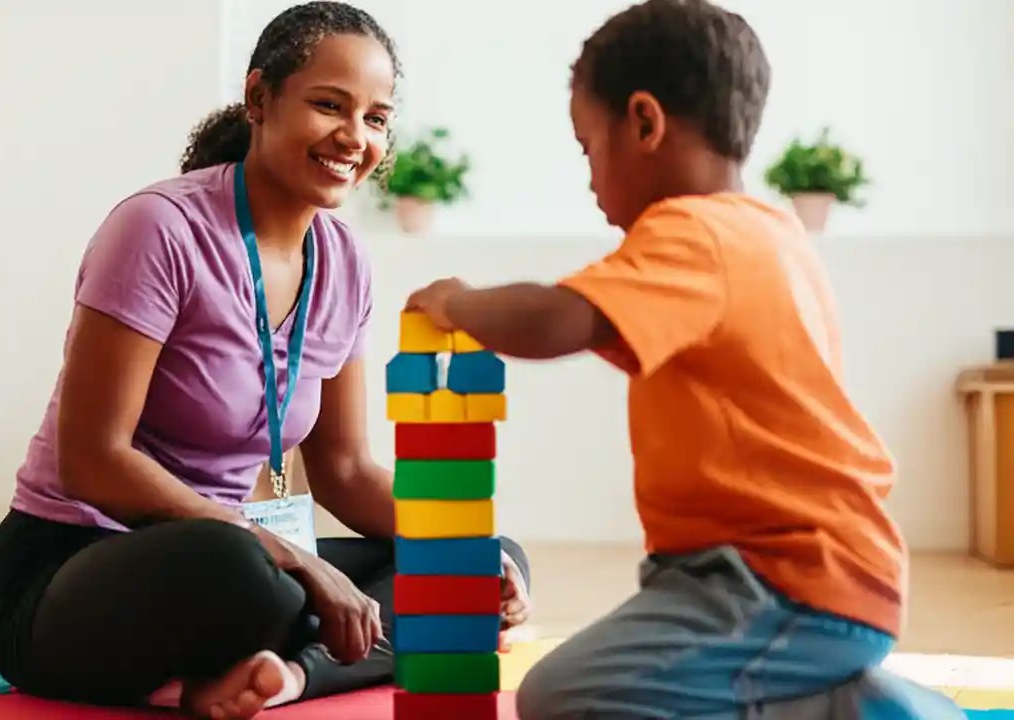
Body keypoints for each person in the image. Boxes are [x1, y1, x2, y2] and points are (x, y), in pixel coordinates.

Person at [405, 0, 961, 717]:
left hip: (784, 579)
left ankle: (853, 707)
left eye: (588, 147)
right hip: (762, 572)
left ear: (645, 123)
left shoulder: (695, 233)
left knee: (561, 694)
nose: (590, 179)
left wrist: (458, 303)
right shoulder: (766, 230)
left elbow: (554, 320)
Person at [0, 3, 531, 719]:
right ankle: (310, 647)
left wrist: (465, 547)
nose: (354, 136)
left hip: (246, 560)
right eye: (329, 105)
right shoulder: (158, 229)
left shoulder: (344, 262)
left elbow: (345, 470)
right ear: (259, 98)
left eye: (375, 117)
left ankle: (288, 677)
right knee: (245, 573)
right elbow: (93, 461)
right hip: (73, 570)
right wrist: (290, 556)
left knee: (480, 557)